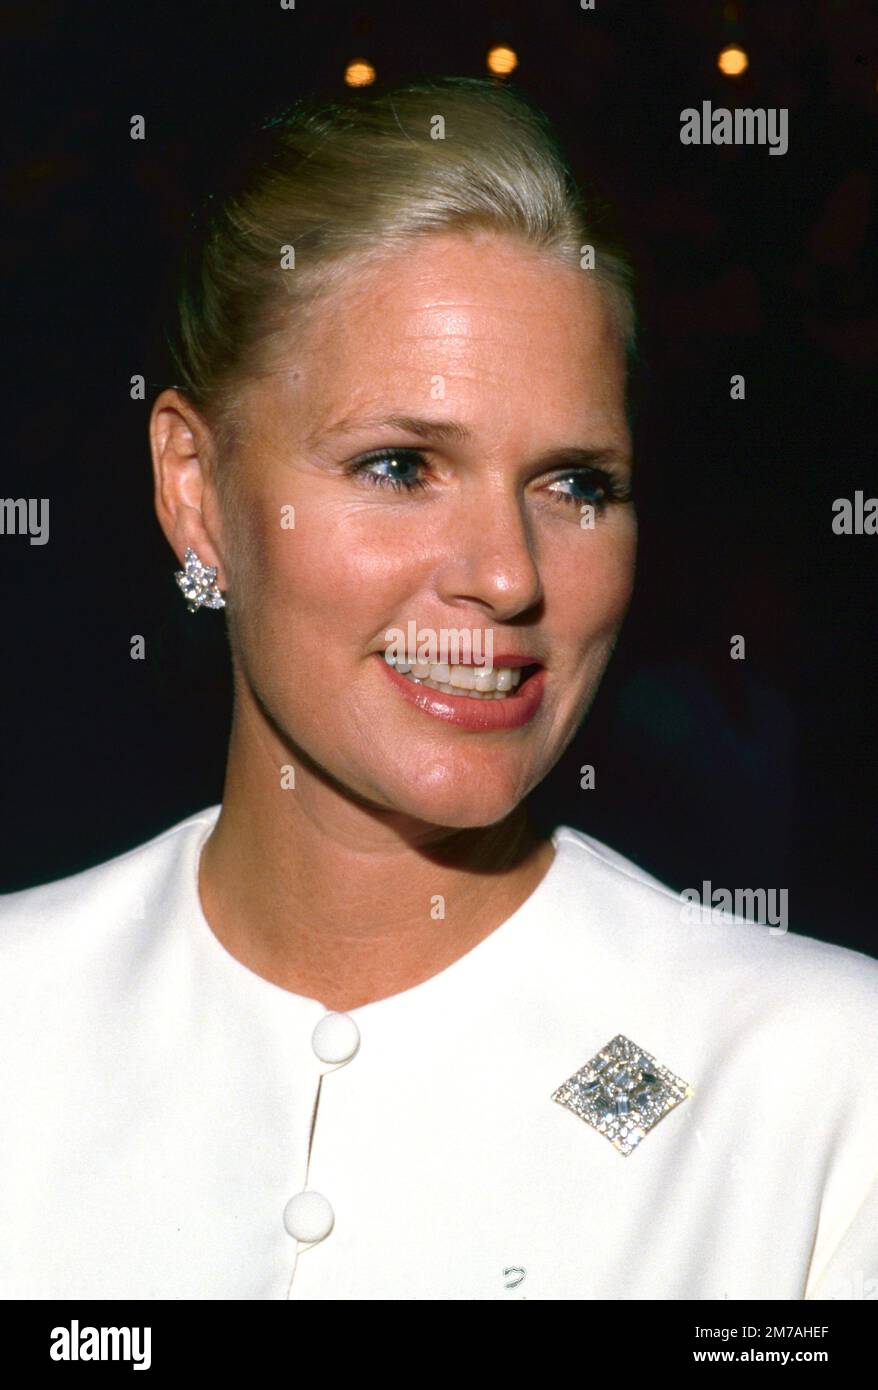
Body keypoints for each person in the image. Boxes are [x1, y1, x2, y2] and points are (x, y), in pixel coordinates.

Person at [0, 76, 875, 1302]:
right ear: (195, 489)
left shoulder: (821, 1087)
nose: (508, 576)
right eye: (401, 465)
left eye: (575, 484)